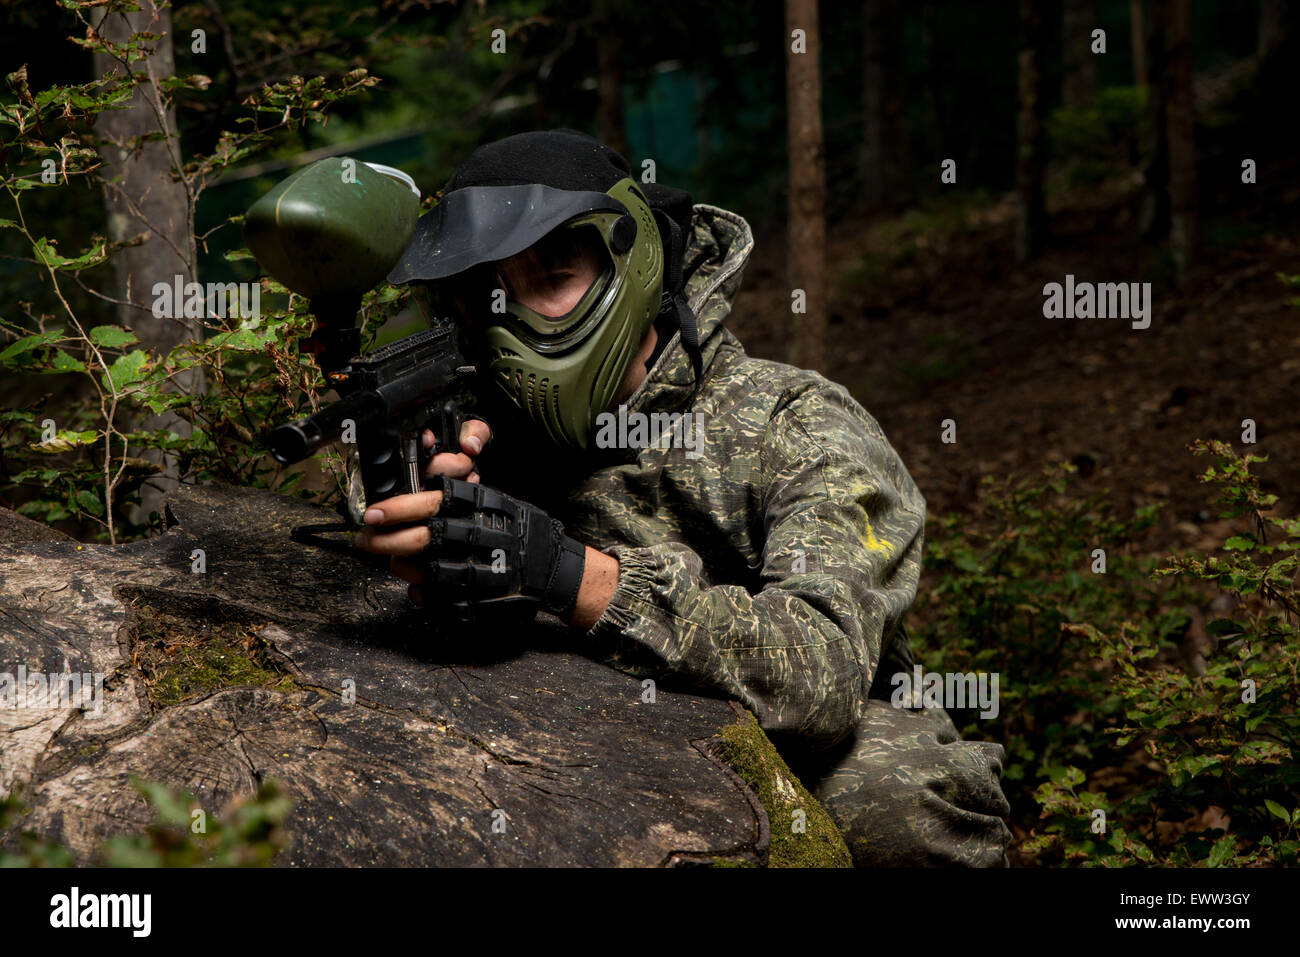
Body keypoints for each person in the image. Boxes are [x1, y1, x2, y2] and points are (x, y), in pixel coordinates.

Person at [353, 129, 1013, 866]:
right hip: (597, 728)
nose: (519, 324)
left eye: (552, 275)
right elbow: (383, 530)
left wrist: (567, 572)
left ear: (632, 267)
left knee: (897, 801)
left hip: (791, 732)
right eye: (493, 293)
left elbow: (820, 672)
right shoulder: (490, 422)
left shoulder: (795, 421)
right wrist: (420, 488)